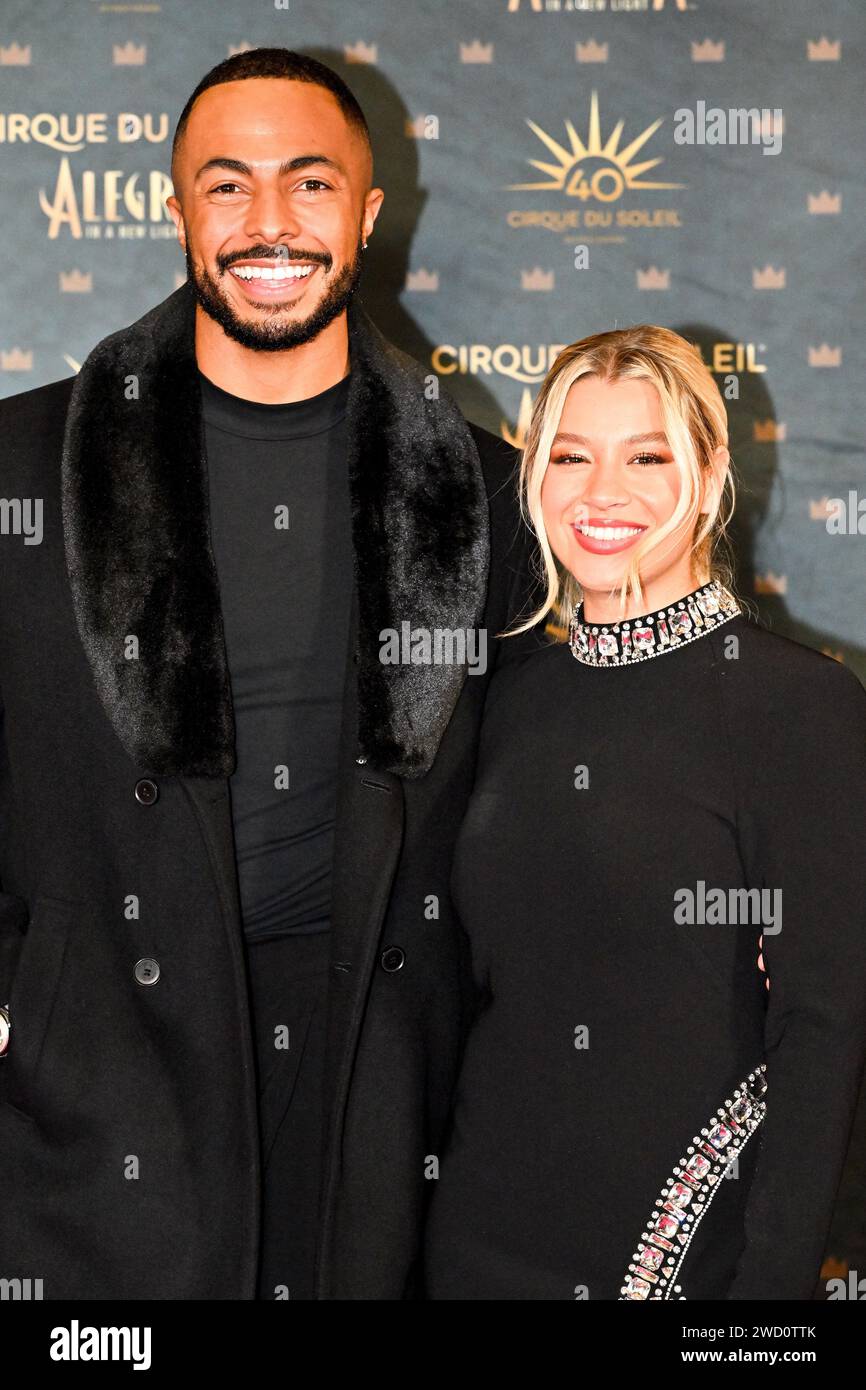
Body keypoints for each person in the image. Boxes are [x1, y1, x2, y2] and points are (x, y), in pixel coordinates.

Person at [0, 48, 532, 1299]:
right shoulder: (21, 467)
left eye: (307, 183)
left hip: (373, 1062)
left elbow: (587, 751)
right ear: (177, 208)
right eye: (226, 187)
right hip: (98, 1063)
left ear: (365, 211)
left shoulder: (483, 490)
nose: (269, 225)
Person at [422, 324, 866, 1300]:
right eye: (569, 456)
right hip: (476, 1233)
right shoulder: (504, 693)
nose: (600, 492)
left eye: (645, 456)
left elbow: (823, 1027)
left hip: (677, 1248)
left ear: (708, 478)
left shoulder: (794, 704)